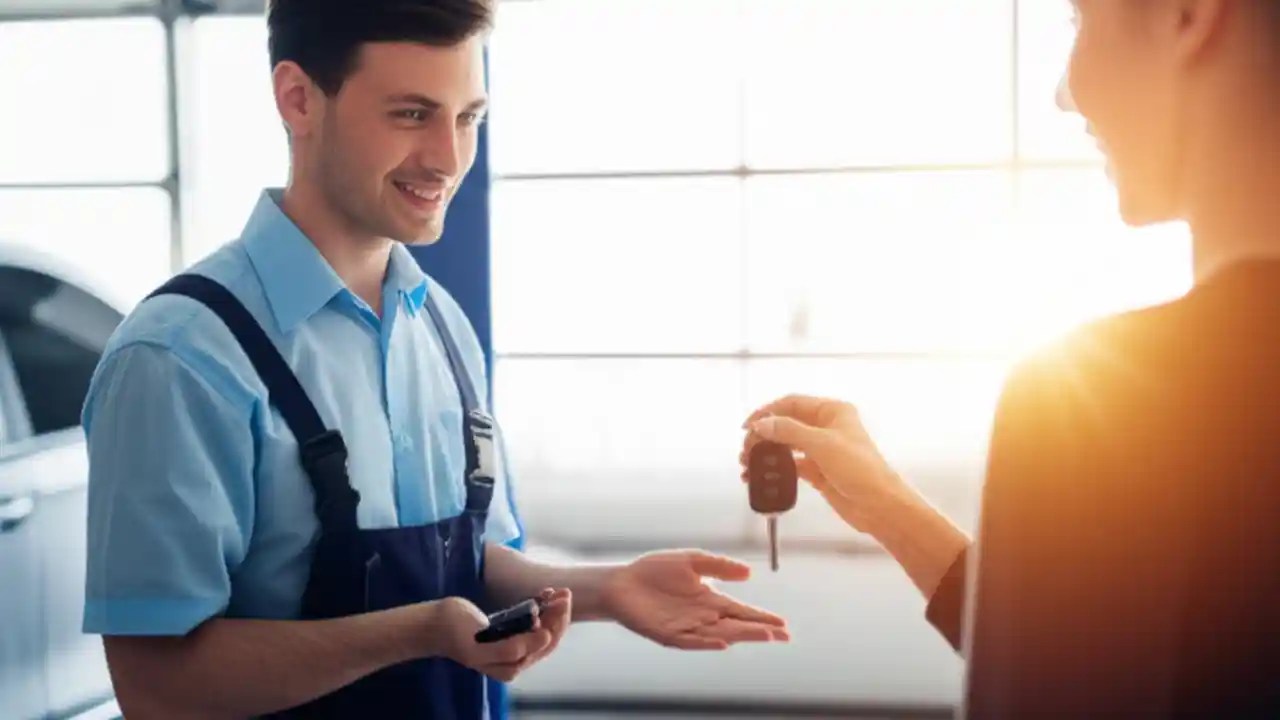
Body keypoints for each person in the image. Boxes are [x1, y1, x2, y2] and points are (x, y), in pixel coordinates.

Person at [82, 2, 788, 718]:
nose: (449, 159)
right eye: (412, 115)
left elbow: (465, 559)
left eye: (468, 118)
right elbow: (158, 686)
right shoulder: (180, 357)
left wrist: (607, 590)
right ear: (298, 99)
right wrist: (417, 632)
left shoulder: (441, 328)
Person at [743, 0, 1280, 716]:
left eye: (1079, 22)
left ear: (1188, 14)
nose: (1064, 91)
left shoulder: (1107, 399)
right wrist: (890, 507)